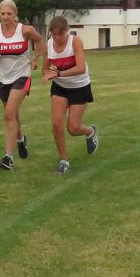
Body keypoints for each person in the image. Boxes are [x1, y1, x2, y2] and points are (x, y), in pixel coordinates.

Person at [0, 0, 44, 171]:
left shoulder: (25, 30)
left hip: (21, 76)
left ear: (15, 14)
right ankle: (20, 140)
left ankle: (8, 157)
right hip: (1, 79)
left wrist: (35, 60)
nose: (6, 17)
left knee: (9, 114)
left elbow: (40, 41)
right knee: (12, 115)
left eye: (9, 13)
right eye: (2, 14)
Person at [43, 15, 99, 173]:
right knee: (56, 123)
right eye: (53, 34)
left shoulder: (75, 41)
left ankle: (90, 131)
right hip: (60, 88)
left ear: (66, 32)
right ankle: (64, 160)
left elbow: (80, 67)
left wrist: (59, 73)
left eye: (60, 34)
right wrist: (49, 72)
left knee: (73, 129)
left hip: (79, 86)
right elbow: (45, 69)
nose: (56, 38)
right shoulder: (49, 45)